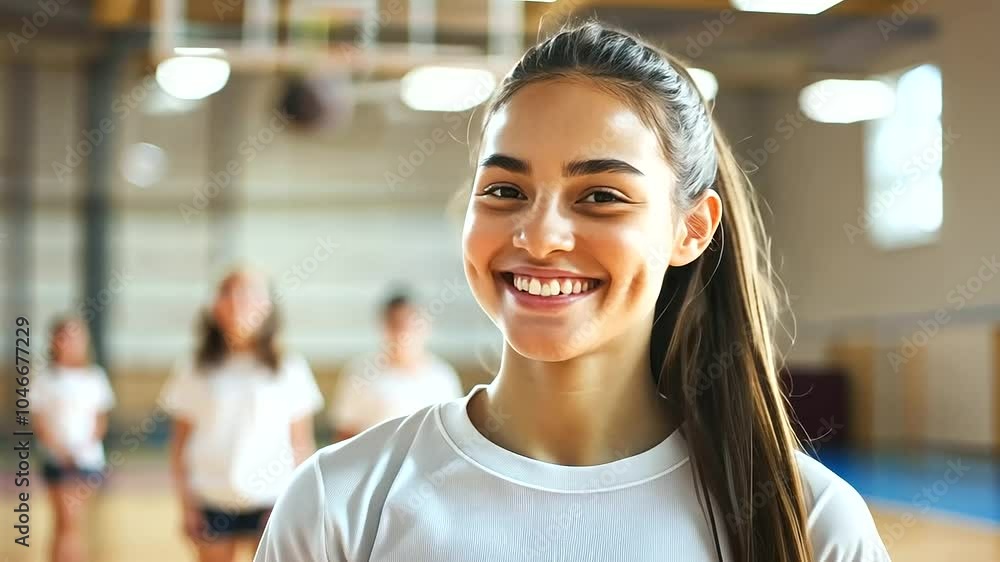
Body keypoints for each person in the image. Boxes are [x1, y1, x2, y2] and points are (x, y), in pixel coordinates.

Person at [255, 22, 890, 562]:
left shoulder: (809, 523)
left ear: (691, 230)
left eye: (601, 196)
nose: (539, 237)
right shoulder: (339, 504)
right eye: (505, 190)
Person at [161, 266, 324, 562]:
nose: (239, 300)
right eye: (230, 292)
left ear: (269, 305)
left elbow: (302, 445)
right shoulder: (195, 368)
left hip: (273, 503)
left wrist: (296, 505)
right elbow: (179, 446)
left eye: (250, 292)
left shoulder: (290, 368)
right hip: (212, 499)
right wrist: (187, 506)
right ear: (216, 305)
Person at [327, 290, 463, 441]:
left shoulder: (443, 377)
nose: (404, 333)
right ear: (384, 326)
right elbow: (345, 433)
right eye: (396, 325)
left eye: (410, 325)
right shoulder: (360, 372)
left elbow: (453, 433)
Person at [34, 315, 115, 562]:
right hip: (56, 458)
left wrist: (82, 448)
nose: (70, 343)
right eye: (64, 337)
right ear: (54, 341)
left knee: (73, 523)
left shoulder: (95, 377)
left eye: (75, 337)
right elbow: (39, 421)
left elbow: (100, 420)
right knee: (65, 522)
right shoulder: (44, 378)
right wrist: (60, 450)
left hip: (87, 459)